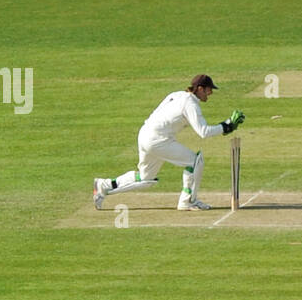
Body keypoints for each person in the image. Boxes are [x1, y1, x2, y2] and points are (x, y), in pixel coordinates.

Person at [93, 75, 245, 211]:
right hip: (158, 140)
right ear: (199, 89)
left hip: (145, 134)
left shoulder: (176, 95)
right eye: (208, 90)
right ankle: (188, 201)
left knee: (146, 178)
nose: (210, 93)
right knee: (195, 162)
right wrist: (227, 125)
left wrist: (226, 128)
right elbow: (203, 132)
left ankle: (104, 185)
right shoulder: (191, 104)